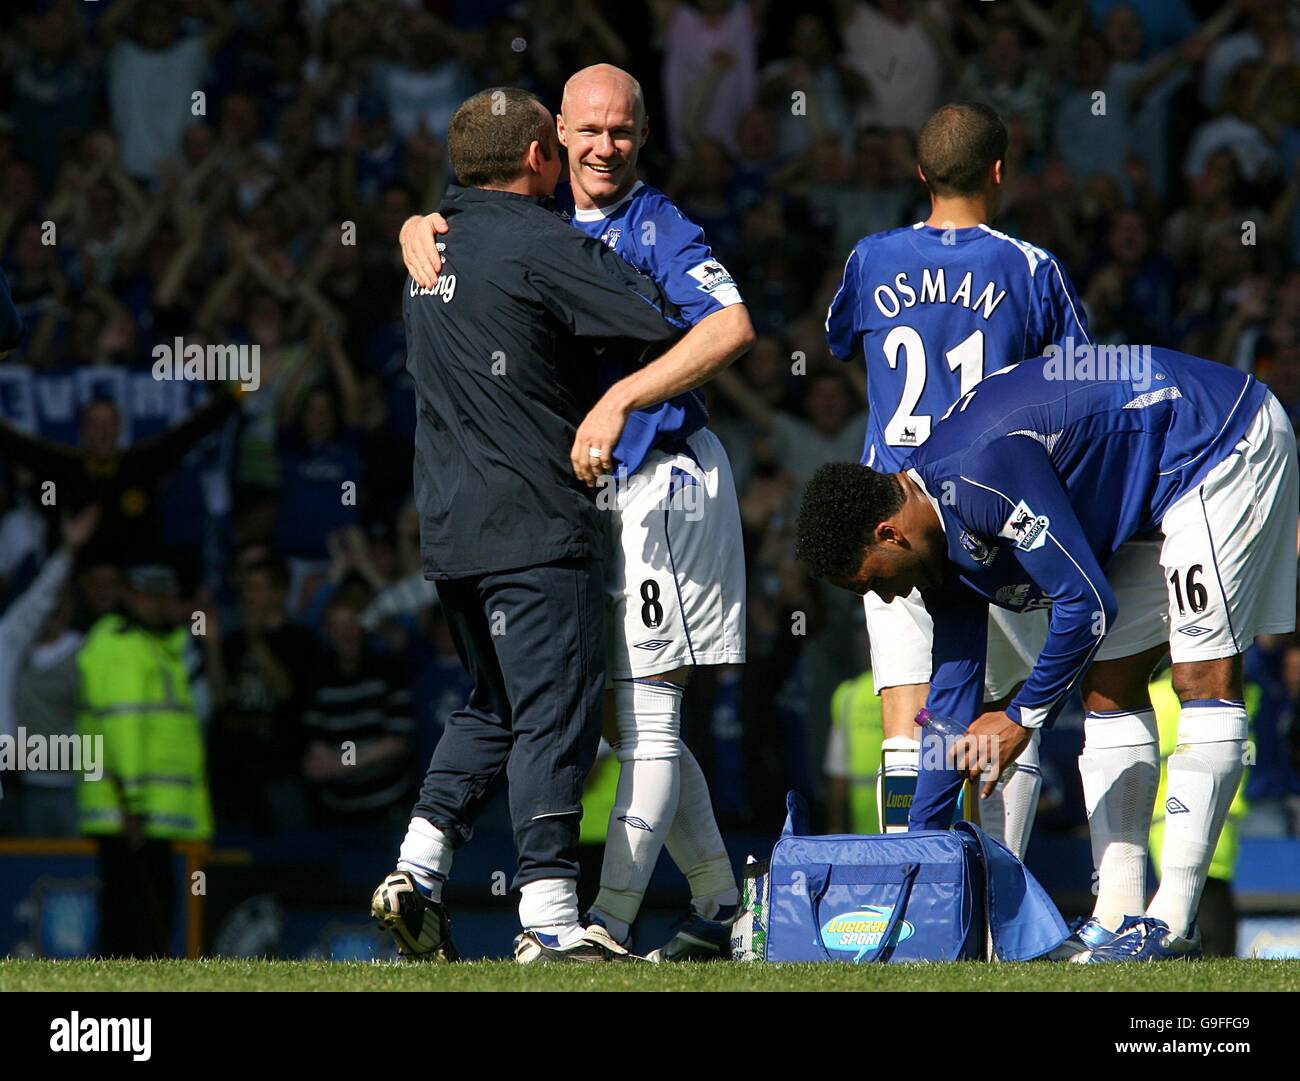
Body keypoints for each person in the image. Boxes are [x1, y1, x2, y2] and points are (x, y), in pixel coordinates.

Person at [372, 86, 738, 965]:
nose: (606, 146)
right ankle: (568, 921)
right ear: (551, 145)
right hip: (546, 519)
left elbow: (729, 325)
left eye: (623, 130)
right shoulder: (534, 234)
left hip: (482, 520)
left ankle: (418, 870)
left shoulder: (465, 236)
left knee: (524, 707)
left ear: (646, 132)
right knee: (578, 715)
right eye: (588, 131)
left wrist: (423, 221)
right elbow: (665, 320)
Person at [795, 347, 1296, 961]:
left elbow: (1084, 604)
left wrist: (1022, 717)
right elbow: (950, 706)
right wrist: (917, 858)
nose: (884, 594)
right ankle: (1117, 918)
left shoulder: (979, 480)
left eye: (872, 580)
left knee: (1200, 671)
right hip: (1146, 484)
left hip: (1214, 441)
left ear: (889, 533)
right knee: (1106, 686)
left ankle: (1172, 921)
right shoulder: (937, 551)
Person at [821, 102, 1089, 855]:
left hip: (893, 523)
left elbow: (840, 338)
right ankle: (997, 917)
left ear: (920, 174)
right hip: (1000, 516)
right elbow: (1078, 386)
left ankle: (915, 910)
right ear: (999, 171)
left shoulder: (872, 257)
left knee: (913, 715)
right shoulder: (1030, 266)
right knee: (1002, 712)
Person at [77, 563, 213, 958]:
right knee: (135, 919)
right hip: (127, 811)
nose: (163, 605)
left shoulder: (152, 645)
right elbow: (123, 729)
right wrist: (132, 803)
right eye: (155, 596)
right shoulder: (121, 646)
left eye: (168, 596)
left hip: (142, 812)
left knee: (140, 917)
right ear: (133, 597)